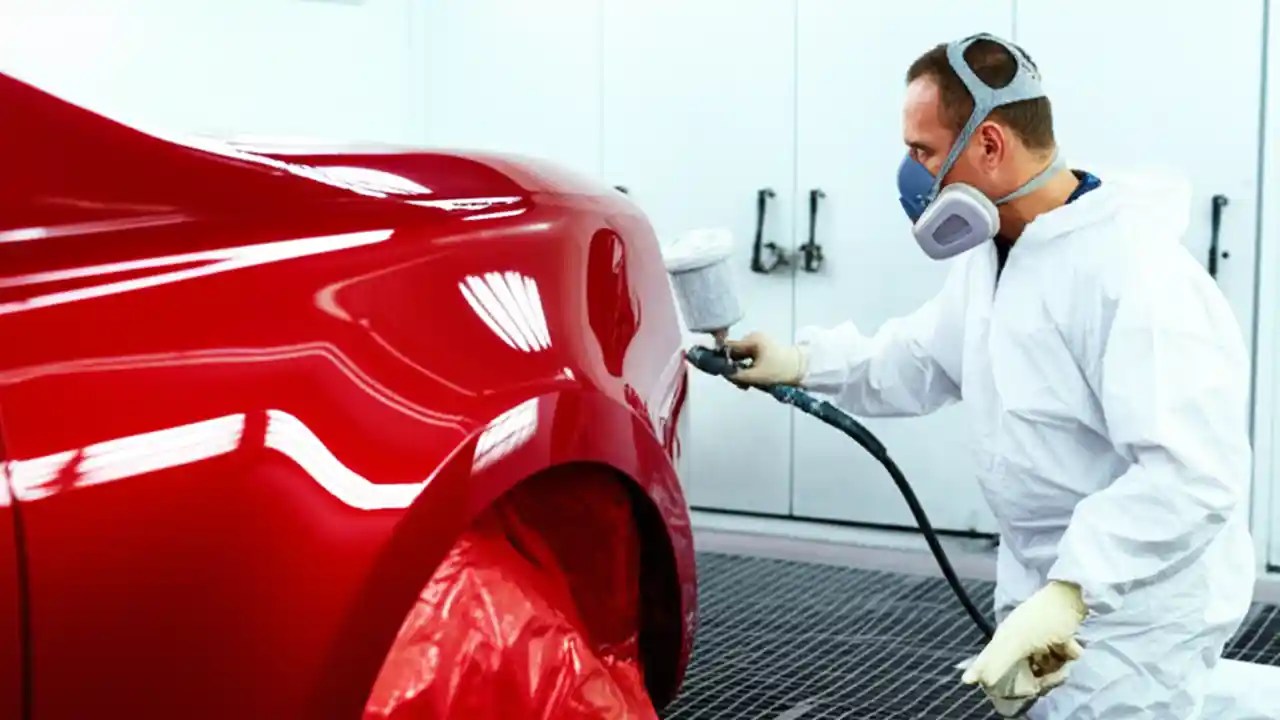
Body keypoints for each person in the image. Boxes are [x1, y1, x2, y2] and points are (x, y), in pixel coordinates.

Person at [725, 33, 1257, 719]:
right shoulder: (997, 255)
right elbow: (917, 359)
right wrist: (801, 362)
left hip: (1136, 611)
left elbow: (1190, 474)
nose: (911, 174)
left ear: (991, 145)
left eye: (922, 151)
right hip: (1043, 587)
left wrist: (1075, 591)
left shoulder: (1133, 273)